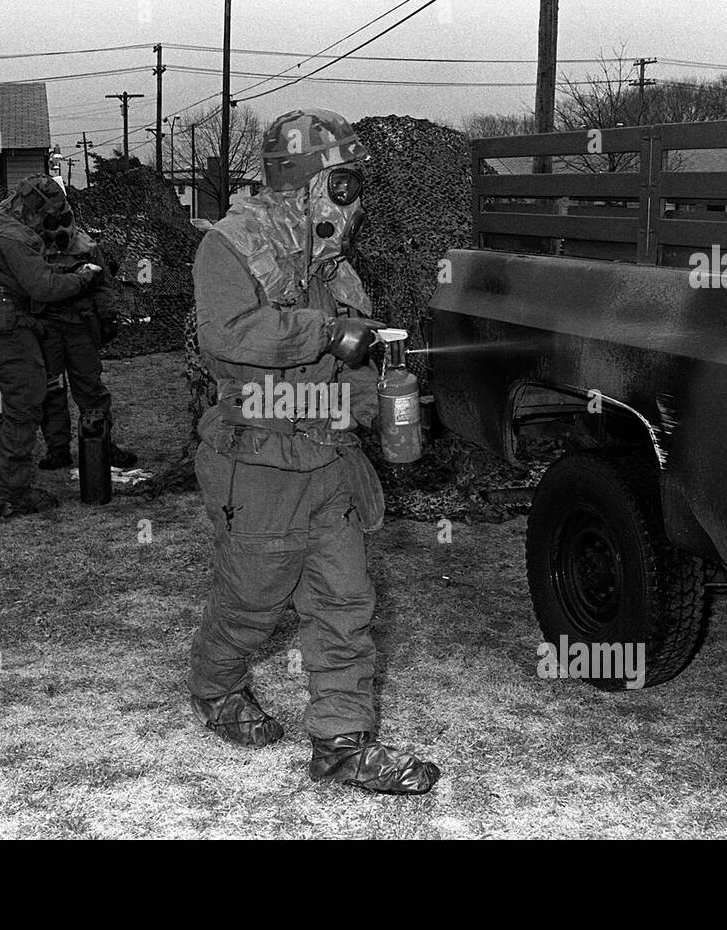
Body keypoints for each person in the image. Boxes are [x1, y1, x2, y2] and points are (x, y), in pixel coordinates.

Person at [188, 109, 441, 795]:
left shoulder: (340, 274)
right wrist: (326, 333)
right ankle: (214, 687)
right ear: (302, 184)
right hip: (258, 458)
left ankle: (342, 742)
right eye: (341, 184)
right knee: (252, 602)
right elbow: (232, 334)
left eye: (354, 187)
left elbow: (354, 373)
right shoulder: (230, 248)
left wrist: (387, 402)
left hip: (329, 464)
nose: (351, 204)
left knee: (346, 600)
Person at [0, 174, 105, 517]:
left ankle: (2, 482)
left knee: (7, 406)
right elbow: (43, 287)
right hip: (12, 328)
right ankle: (11, 491)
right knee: (22, 406)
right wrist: (84, 276)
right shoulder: (14, 236)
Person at [35, 217, 138, 471]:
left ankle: (100, 442)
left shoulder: (85, 245)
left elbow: (102, 285)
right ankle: (57, 449)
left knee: (90, 386)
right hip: (48, 327)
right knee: (51, 388)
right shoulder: (31, 244)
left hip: (80, 326)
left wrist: (108, 316)